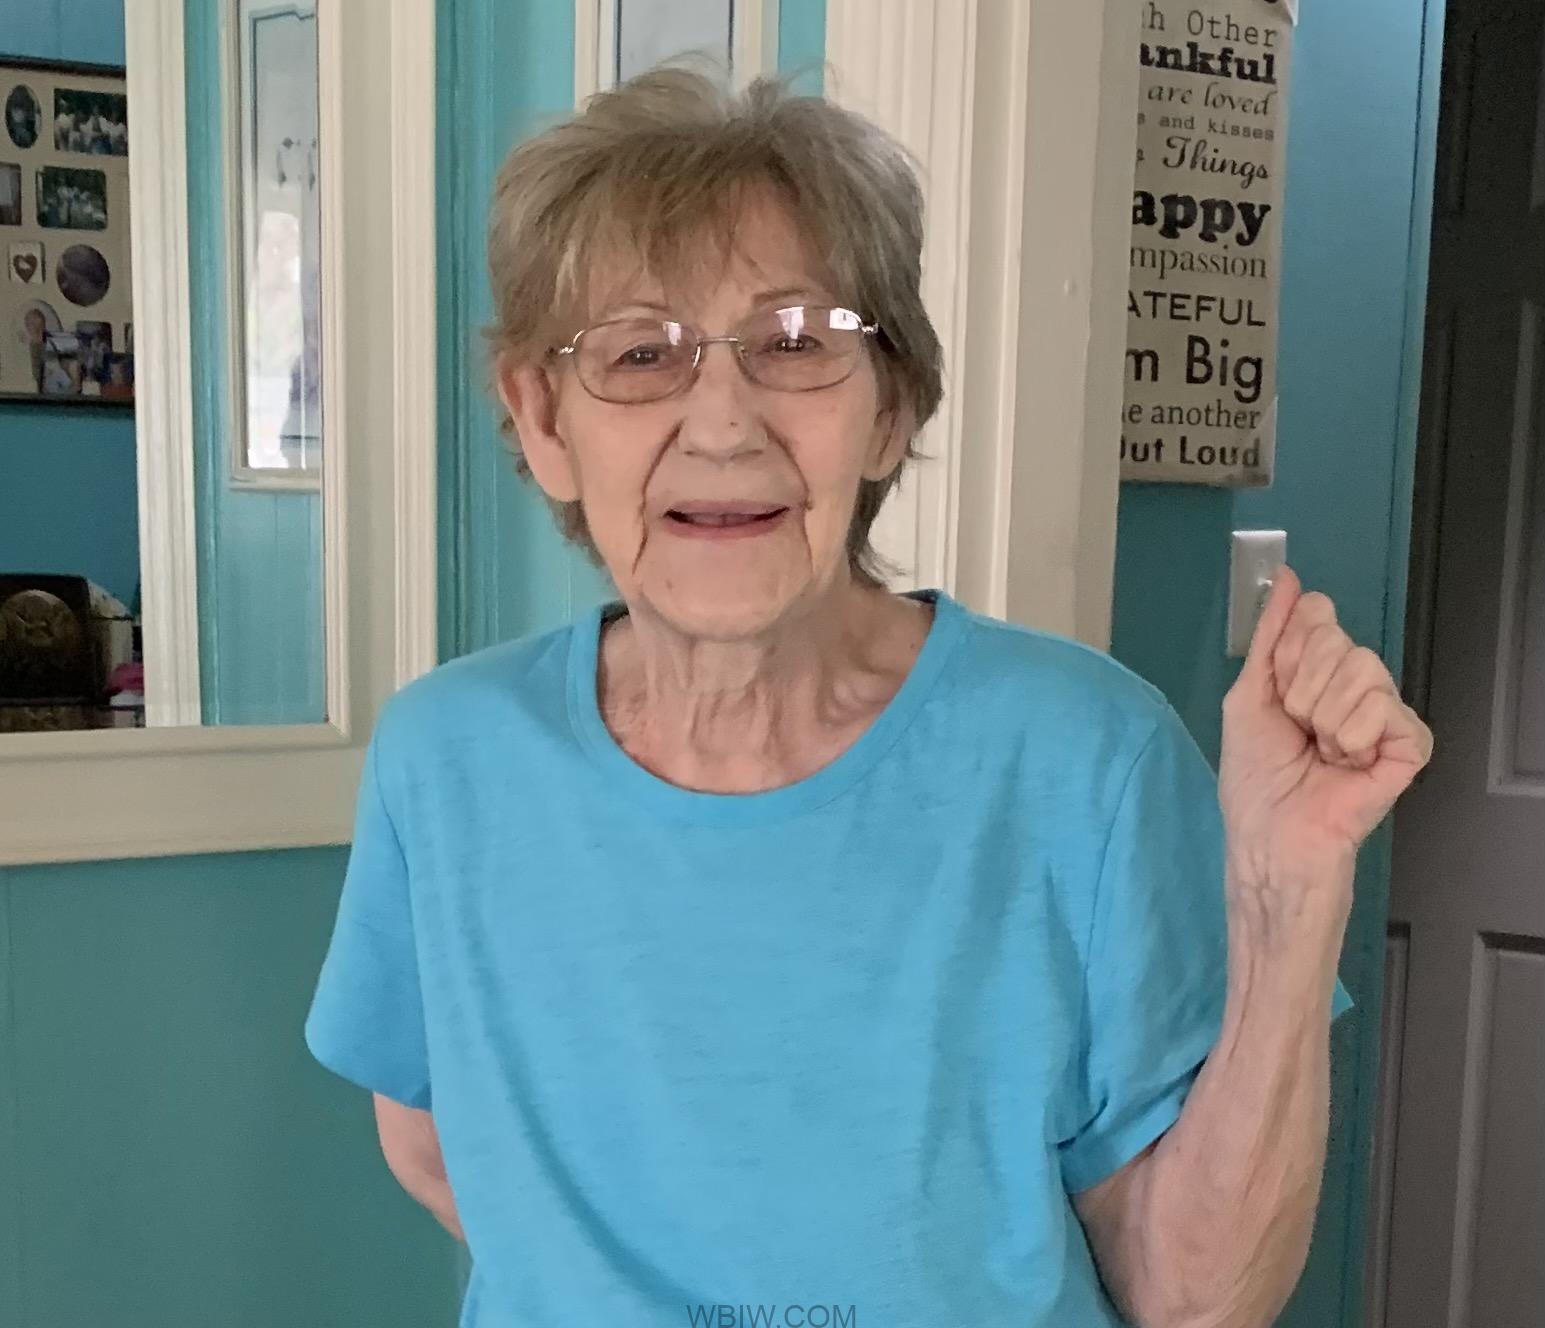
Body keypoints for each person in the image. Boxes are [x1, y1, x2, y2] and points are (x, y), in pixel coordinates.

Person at [305, 68, 1433, 1327]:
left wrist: (1287, 897)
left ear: (891, 406)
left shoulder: (1090, 758)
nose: (721, 424)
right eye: (639, 353)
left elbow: (1196, 1299)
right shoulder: (448, 759)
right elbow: (436, 1149)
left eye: (796, 343)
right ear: (544, 420)